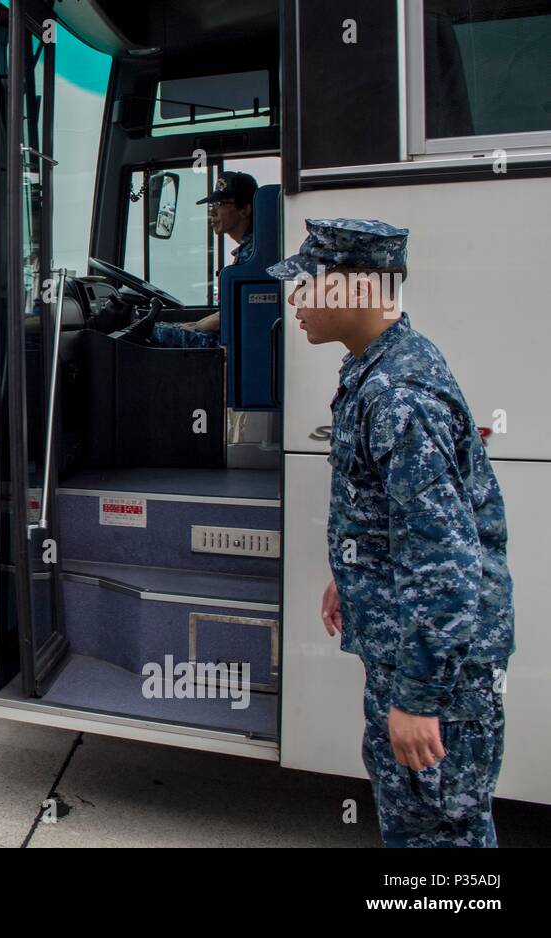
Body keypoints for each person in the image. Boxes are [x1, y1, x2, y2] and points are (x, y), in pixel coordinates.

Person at [269, 218, 514, 848]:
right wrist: (349, 569)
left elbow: (448, 564)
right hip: (413, 659)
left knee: (439, 839)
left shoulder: (399, 395)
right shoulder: (378, 368)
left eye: (308, 283)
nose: (296, 300)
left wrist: (419, 699)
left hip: (437, 678)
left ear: (352, 287)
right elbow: (397, 519)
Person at [143, 171, 257, 348]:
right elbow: (228, 312)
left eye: (220, 204)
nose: (212, 211)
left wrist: (194, 327)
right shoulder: (251, 251)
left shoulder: (253, 255)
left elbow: (234, 314)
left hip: (232, 346)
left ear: (245, 209)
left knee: (147, 332)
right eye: (212, 204)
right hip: (235, 340)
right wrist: (194, 326)